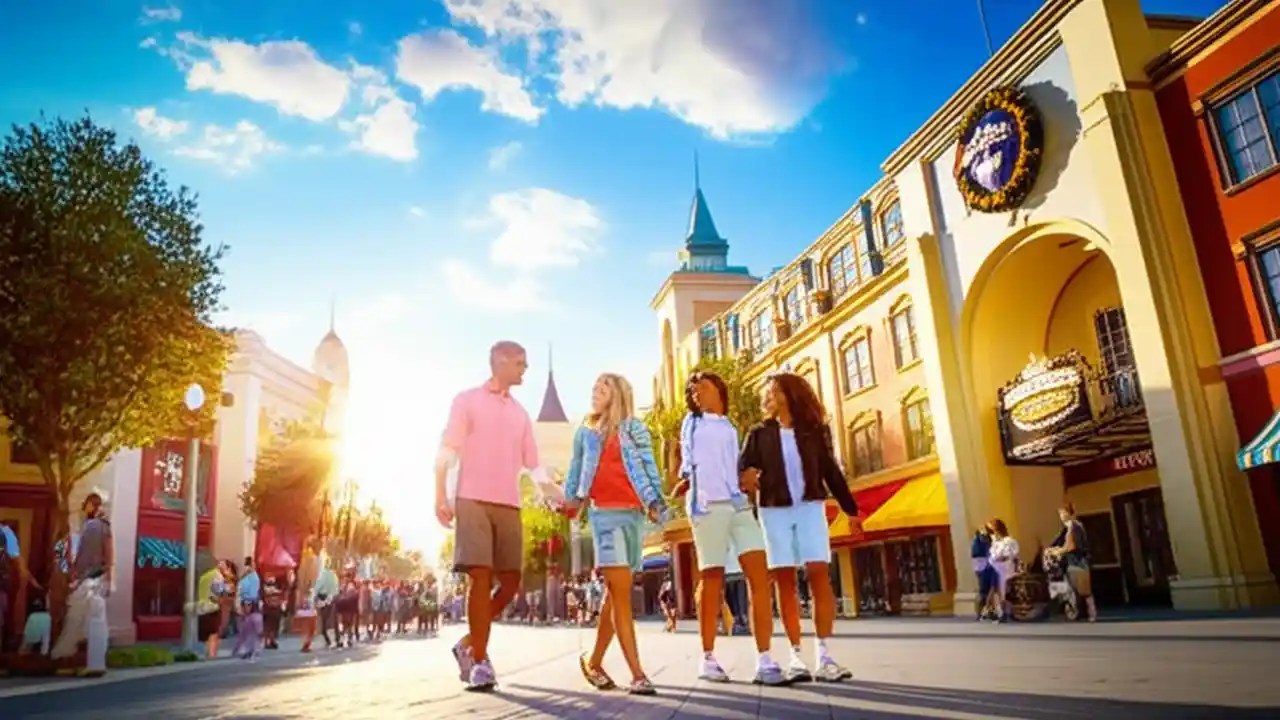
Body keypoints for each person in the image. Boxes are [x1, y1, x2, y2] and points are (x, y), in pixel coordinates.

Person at [435, 340, 548, 691]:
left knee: (511, 582)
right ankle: (480, 662)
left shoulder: (521, 414)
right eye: (520, 363)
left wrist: (561, 496)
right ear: (500, 361)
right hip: (471, 499)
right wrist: (439, 492)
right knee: (480, 578)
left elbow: (536, 468)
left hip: (509, 504)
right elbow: (448, 449)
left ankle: (470, 641)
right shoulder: (466, 400)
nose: (525, 369)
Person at [739, 372, 858, 682]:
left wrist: (851, 510)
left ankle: (825, 655)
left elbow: (831, 471)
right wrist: (747, 478)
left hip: (810, 507)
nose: (766, 396)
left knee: (820, 575)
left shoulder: (815, 431)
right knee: (785, 581)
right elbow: (742, 471)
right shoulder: (758, 434)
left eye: (772, 390)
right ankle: (795, 657)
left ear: (787, 394)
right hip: (773, 511)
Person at [671, 370, 786, 686]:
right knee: (712, 576)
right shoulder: (691, 423)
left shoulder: (730, 426)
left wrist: (748, 477)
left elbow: (732, 464)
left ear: (718, 390)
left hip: (737, 504)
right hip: (707, 506)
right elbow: (687, 460)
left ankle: (765, 659)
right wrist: (682, 481)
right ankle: (707, 658)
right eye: (692, 391)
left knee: (760, 575)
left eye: (702, 388)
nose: (696, 394)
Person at [564, 372, 667, 696]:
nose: (595, 391)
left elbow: (649, 467)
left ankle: (593, 661)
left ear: (618, 394)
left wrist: (656, 502)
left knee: (615, 591)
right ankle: (638, 674)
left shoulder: (635, 429)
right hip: (603, 514)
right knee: (621, 591)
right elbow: (575, 471)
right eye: (593, 387)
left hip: (634, 515)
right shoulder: (585, 434)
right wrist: (570, 502)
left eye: (603, 387)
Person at [52, 492, 113, 676]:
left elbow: (108, 554)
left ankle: (87, 663)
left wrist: (107, 578)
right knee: (86, 620)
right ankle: (83, 662)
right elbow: (106, 555)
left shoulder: (96, 527)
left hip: (92, 579)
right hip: (89, 579)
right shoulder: (92, 527)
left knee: (86, 620)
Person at [1048, 503, 1098, 622]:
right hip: (1073, 562)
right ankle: (1080, 612)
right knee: (1075, 588)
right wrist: (1053, 549)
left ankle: (1091, 613)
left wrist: (1058, 552)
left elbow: (1071, 546)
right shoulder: (1068, 528)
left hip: (1078, 561)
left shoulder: (1074, 526)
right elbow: (1059, 542)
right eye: (1060, 513)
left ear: (1069, 513)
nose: (1061, 515)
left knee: (1083, 589)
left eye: (1063, 513)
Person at [987, 519, 1020, 623]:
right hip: (995, 569)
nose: (992, 534)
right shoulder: (995, 543)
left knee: (1004, 590)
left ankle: (1007, 612)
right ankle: (999, 612)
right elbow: (992, 555)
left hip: (1005, 569)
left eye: (993, 531)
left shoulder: (1009, 541)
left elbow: (1008, 555)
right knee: (996, 591)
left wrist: (999, 557)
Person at [971, 527, 998, 621]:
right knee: (986, 591)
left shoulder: (978, 543)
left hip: (984, 567)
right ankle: (985, 611)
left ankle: (988, 611)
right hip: (985, 568)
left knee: (987, 591)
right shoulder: (980, 543)